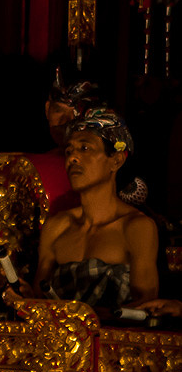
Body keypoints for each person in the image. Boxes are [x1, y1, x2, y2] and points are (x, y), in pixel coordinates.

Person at [32, 108, 159, 308]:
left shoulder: (137, 228)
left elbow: (146, 308)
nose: (72, 158)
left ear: (116, 160)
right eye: (69, 151)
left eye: (85, 148)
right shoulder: (56, 227)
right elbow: (38, 299)